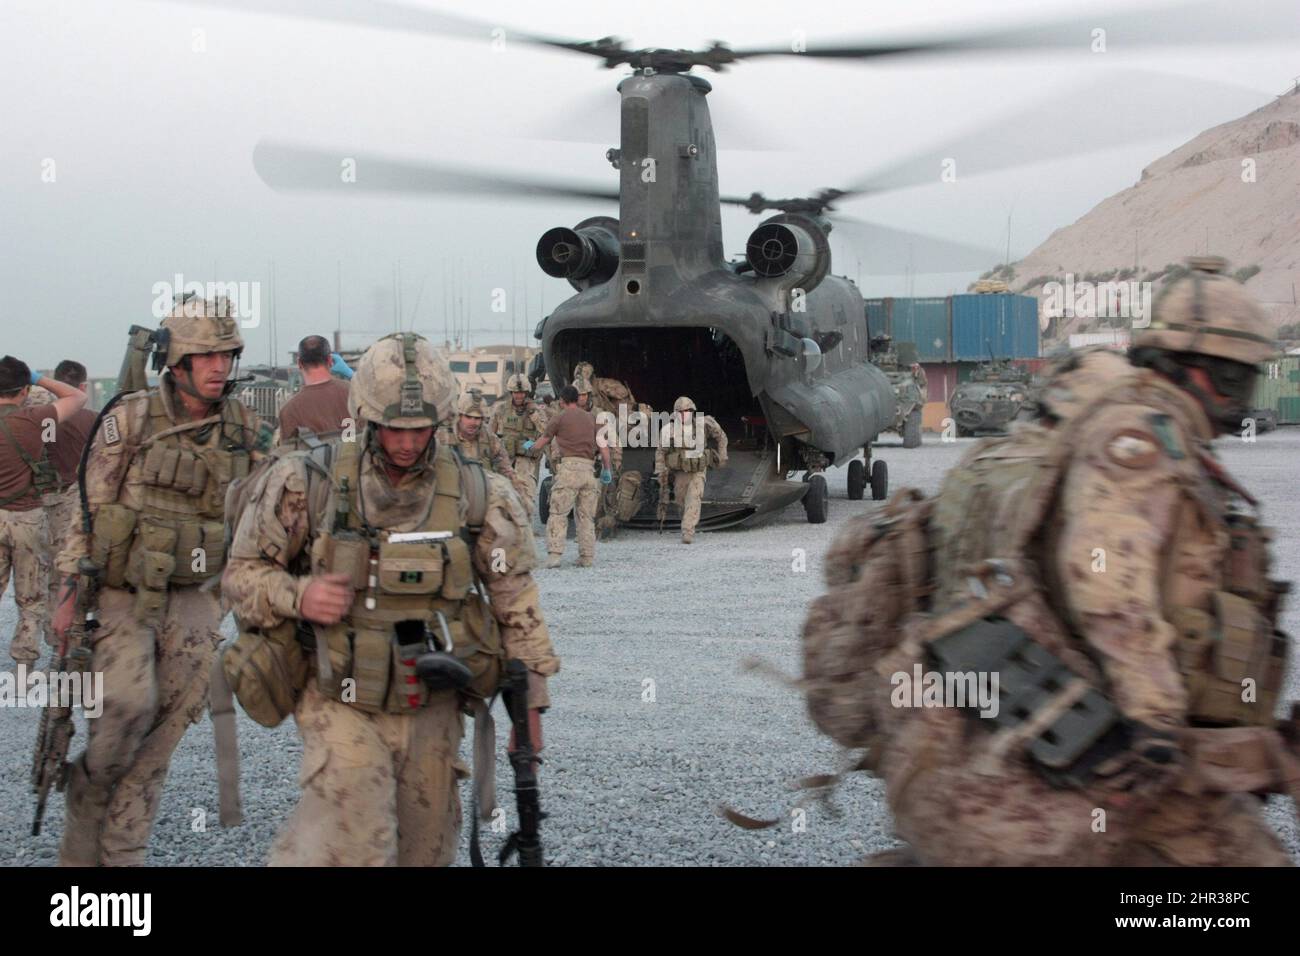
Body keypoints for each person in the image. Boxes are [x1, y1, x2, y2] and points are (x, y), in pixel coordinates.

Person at [807, 257, 1294, 866]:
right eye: (1236, 383)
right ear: (1205, 372)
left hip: (1085, 731)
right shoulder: (1140, 438)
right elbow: (1105, 575)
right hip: (1101, 739)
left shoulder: (1152, 437)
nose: (1237, 403)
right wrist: (1154, 718)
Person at [221, 332, 558, 866]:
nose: (407, 443)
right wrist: (299, 595)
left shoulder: (478, 493)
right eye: (395, 429)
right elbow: (240, 577)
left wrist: (530, 713)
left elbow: (516, 603)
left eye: (420, 429)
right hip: (341, 701)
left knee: (424, 853)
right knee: (346, 842)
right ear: (369, 418)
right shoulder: (307, 482)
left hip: (435, 706)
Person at [50, 295, 261, 866]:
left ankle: (123, 861)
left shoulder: (242, 430)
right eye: (207, 355)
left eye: (228, 355)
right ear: (176, 361)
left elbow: (270, 507)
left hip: (195, 598)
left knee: (162, 736)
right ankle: (84, 819)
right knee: (124, 708)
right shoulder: (130, 419)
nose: (220, 366)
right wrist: (68, 596)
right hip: (122, 595)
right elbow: (87, 509)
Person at [0, 356, 88, 668]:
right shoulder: (35, 418)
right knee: (30, 598)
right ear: (23, 390)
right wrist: (38, 378)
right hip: (28, 518)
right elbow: (77, 397)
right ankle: (24, 666)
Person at [528, 383, 611, 569]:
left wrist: (530, 447)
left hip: (569, 469)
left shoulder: (559, 418)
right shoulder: (593, 419)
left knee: (558, 513)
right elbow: (604, 449)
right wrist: (607, 470)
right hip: (589, 471)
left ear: (562, 401)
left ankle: (555, 555)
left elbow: (543, 441)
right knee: (586, 517)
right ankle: (587, 557)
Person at [654, 396, 728, 544]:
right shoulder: (669, 430)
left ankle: (688, 530)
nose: (684, 414)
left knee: (694, 498)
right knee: (681, 501)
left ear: (692, 411)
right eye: (680, 411)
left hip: (698, 470)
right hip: (680, 471)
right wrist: (660, 471)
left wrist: (722, 456)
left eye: (687, 411)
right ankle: (686, 522)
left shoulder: (704, 424)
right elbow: (661, 452)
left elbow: (721, 437)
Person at [274, 335, 353, 445]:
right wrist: (352, 374)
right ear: (330, 360)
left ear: (299, 363)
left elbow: (286, 456)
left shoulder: (289, 411)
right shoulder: (354, 393)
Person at [488, 373, 545, 511]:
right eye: (515, 393)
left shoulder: (535, 410)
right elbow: (489, 435)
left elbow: (546, 432)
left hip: (527, 465)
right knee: (502, 503)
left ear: (526, 392)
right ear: (511, 392)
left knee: (526, 503)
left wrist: (534, 415)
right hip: (505, 463)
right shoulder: (500, 410)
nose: (518, 396)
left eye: (521, 393)